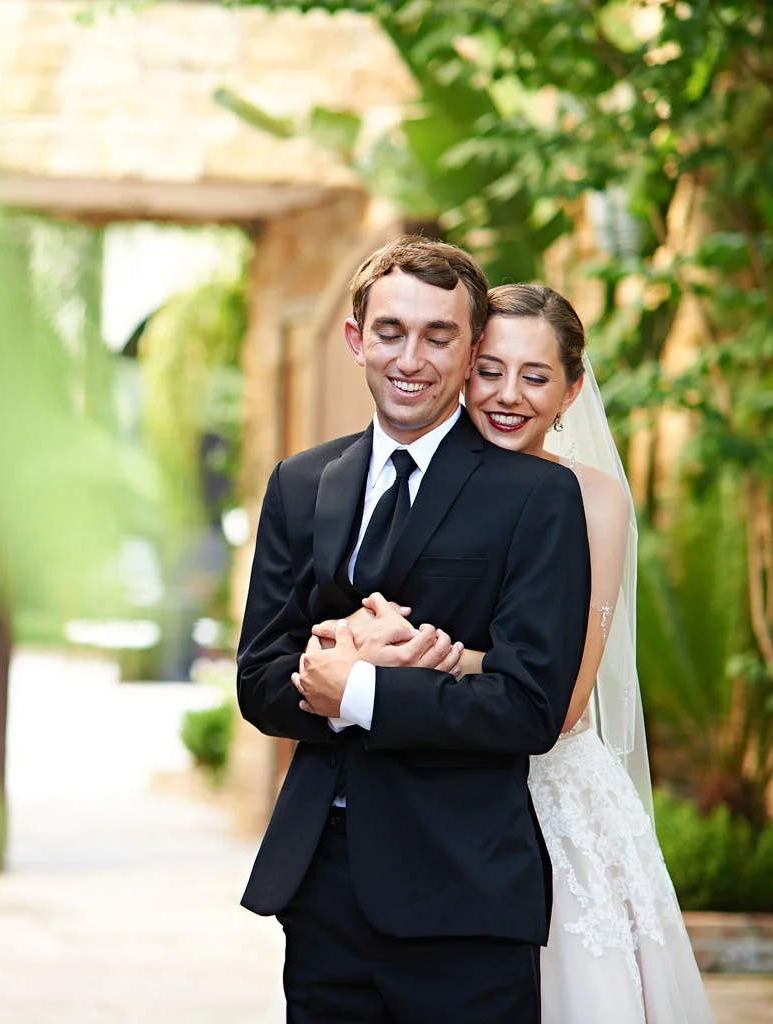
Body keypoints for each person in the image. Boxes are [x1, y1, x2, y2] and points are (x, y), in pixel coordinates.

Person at [235, 236, 592, 1024]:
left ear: (470, 353)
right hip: (321, 888)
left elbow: (530, 706)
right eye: (392, 330)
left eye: (440, 335)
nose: (412, 357)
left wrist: (363, 690)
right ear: (357, 338)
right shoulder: (301, 484)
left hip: (462, 893)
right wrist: (332, 666)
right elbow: (259, 679)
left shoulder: (536, 498)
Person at [345, 284, 715, 1022]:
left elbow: (566, 698)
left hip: (551, 796)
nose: (506, 395)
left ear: (571, 390)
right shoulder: (417, 477)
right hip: (426, 790)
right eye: (489, 370)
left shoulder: (591, 500)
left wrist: (441, 657)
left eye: (535, 376)